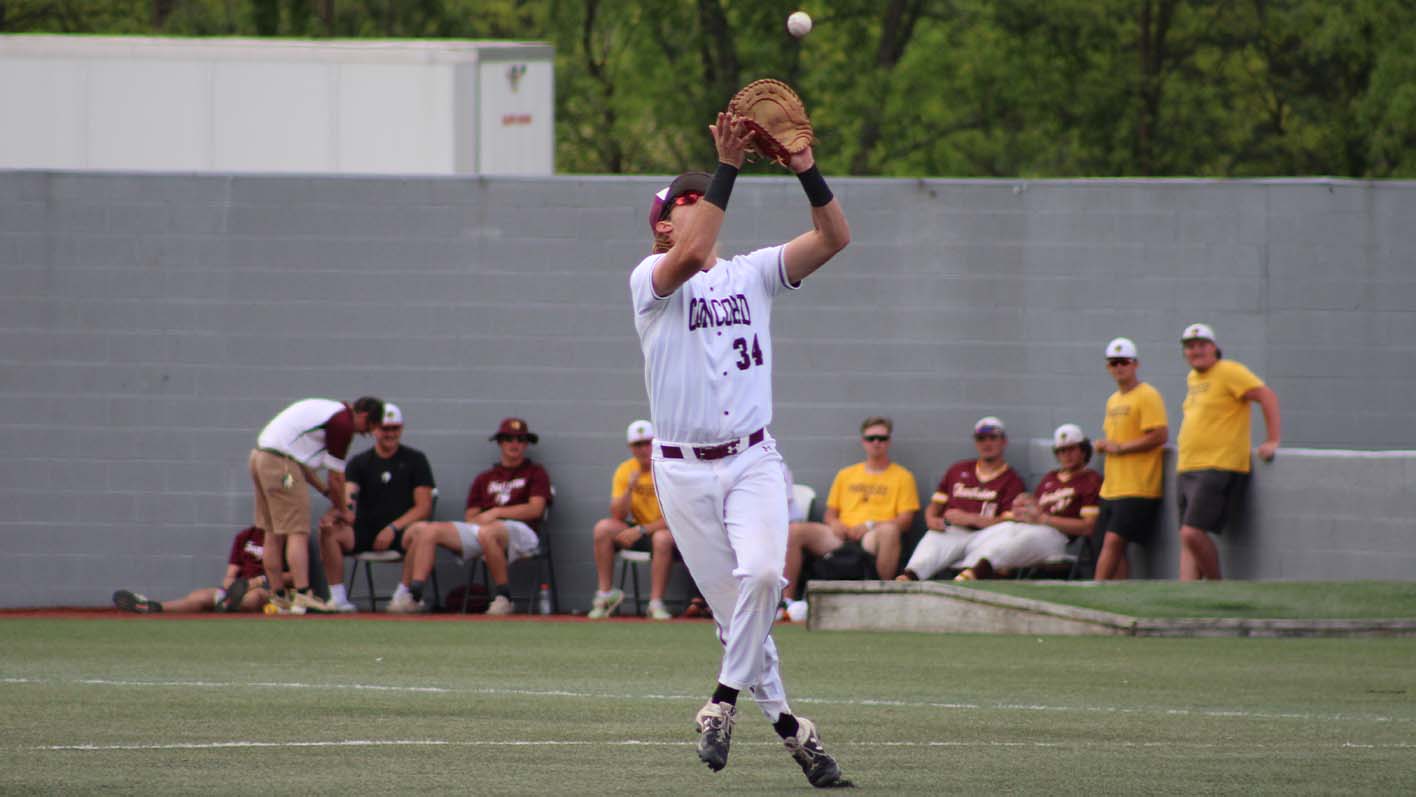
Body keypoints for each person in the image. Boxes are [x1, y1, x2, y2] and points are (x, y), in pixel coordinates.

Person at [629, 111, 852, 786]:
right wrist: (727, 165)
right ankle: (792, 730)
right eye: (685, 202)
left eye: (706, 198)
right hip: (682, 472)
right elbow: (694, 251)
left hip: (753, 458)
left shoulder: (754, 272)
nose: (698, 209)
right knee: (737, 619)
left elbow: (835, 237)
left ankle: (721, 703)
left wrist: (806, 169)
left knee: (761, 578)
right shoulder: (650, 279)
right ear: (663, 225)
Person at [395, 418, 552, 615]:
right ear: (500, 442)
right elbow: (471, 516)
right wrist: (484, 519)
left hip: (522, 532)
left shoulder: (536, 472)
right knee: (429, 530)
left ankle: (504, 598)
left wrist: (496, 513)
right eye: (509, 439)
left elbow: (536, 509)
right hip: (483, 529)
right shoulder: (485, 478)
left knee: (489, 532)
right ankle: (413, 595)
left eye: (520, 439)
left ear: (526, 444)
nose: (515, 444)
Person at [251, 396, 382, 614]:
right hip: (282, 467)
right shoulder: (343, 423)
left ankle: (279, 597)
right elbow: (336, 477)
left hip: (260, 458)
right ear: (364, 415)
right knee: (297, 531)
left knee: (272, 531)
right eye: (368, 428)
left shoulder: (329, 412)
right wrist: (343, 510)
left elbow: (300, 463)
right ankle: (303, 595)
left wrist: (325, 492)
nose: (364, 434)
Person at [782, 416, 919, 617]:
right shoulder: (846, 474)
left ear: (889, 441)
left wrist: (871, 525)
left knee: (890, 531)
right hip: (841, 535)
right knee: (795, 531)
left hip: (874, 536)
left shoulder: (903, 476)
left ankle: (886, 599)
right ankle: (787, 602)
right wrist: (835, 524)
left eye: (882, 438)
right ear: (863, 441)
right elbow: (830, 514)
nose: (876, 443)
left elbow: (905, 521)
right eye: (871, 438)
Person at [1175, 323, 1281, 581]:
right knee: (1186, 538)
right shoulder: (1193, 379)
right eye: (1190, 346)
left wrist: (1272, 440)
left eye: (1202, 345)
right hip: (1187, 466)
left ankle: (1216, 587)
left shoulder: (1229, 371)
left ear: (1214, 348)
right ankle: (1185, 596)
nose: (1196, 351)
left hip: (1219, 464)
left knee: (1192, 532)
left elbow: (1266, 396)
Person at [318, 402, 436, 612]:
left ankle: (402, 597)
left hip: (401, 532)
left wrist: (392, 528)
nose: (390, 434)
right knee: (329, 530)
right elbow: (349, 497)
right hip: (365, 531)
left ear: (401, 428)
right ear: (374, 429)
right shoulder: (359, 462)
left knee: (423, 531)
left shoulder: (416, 460)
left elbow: (423, 507)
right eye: (385, 429)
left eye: (395, 428)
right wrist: (339, 514)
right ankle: (338, 599)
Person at [953, 424, 1102, 580]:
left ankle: (976, 573)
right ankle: (971, 569)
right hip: (1032, 527)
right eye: (1061, 451)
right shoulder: (1050, 478)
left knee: (1024, 539)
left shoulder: (1091, 480)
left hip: (1059, 536)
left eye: (1071, 449)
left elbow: (1089, 527)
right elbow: (1035, 509)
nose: (1066, 455)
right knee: (1002, 530)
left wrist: (1044, 519)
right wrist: (1024, 505)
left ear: (1083, 450)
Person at [896, 416, 1028, 582]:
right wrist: (931, 519)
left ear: (1003, 441)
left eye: (993, 438)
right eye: (981, 438)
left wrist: (971, 518)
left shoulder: (1013, 480)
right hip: (953, 530)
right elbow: (936, 505)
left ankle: (971, 575)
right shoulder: (958, 470)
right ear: (975, 442)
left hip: (986, 535)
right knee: (934, 536)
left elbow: (1008, 521)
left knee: (1008, 530)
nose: (987, 443)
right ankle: (911, 576)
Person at [1093, 337, 1169, 581]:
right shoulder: (1112, 400)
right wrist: (1105, 446)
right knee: (1112, 546)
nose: (1119, 367)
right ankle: (1120, 593)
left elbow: (1159, 435)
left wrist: (1121, 448)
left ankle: (1095, 589)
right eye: (1113, 363)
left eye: (1124, 362)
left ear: (1135, 364)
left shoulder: (1147, 395)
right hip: (1112, 487)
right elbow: (1116, 439)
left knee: (1113, 541)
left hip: (1138, 485)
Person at [589, 420, 677, 620]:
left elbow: (677, 516)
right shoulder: (626, 469)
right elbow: (618, 515)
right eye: (638, 445)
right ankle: (605, 594)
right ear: (630, 447)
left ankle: (655, 603)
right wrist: (629, 488)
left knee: (662, 538)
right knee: (603, 528)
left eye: (648, 443)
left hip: (668, 532)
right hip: (640, 530)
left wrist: (642, 530)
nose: (644, 449)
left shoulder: (669, 469)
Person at [113, 526, 280, 614]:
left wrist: (258, 581)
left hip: (266, 588)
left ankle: (230, 603)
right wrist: (229, 586)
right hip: (238, 588)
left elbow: (289, 575)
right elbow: (230, 574)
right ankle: (154, 607)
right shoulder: (245, 536)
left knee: (253, 597)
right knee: (200, 596)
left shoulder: (282, 539)